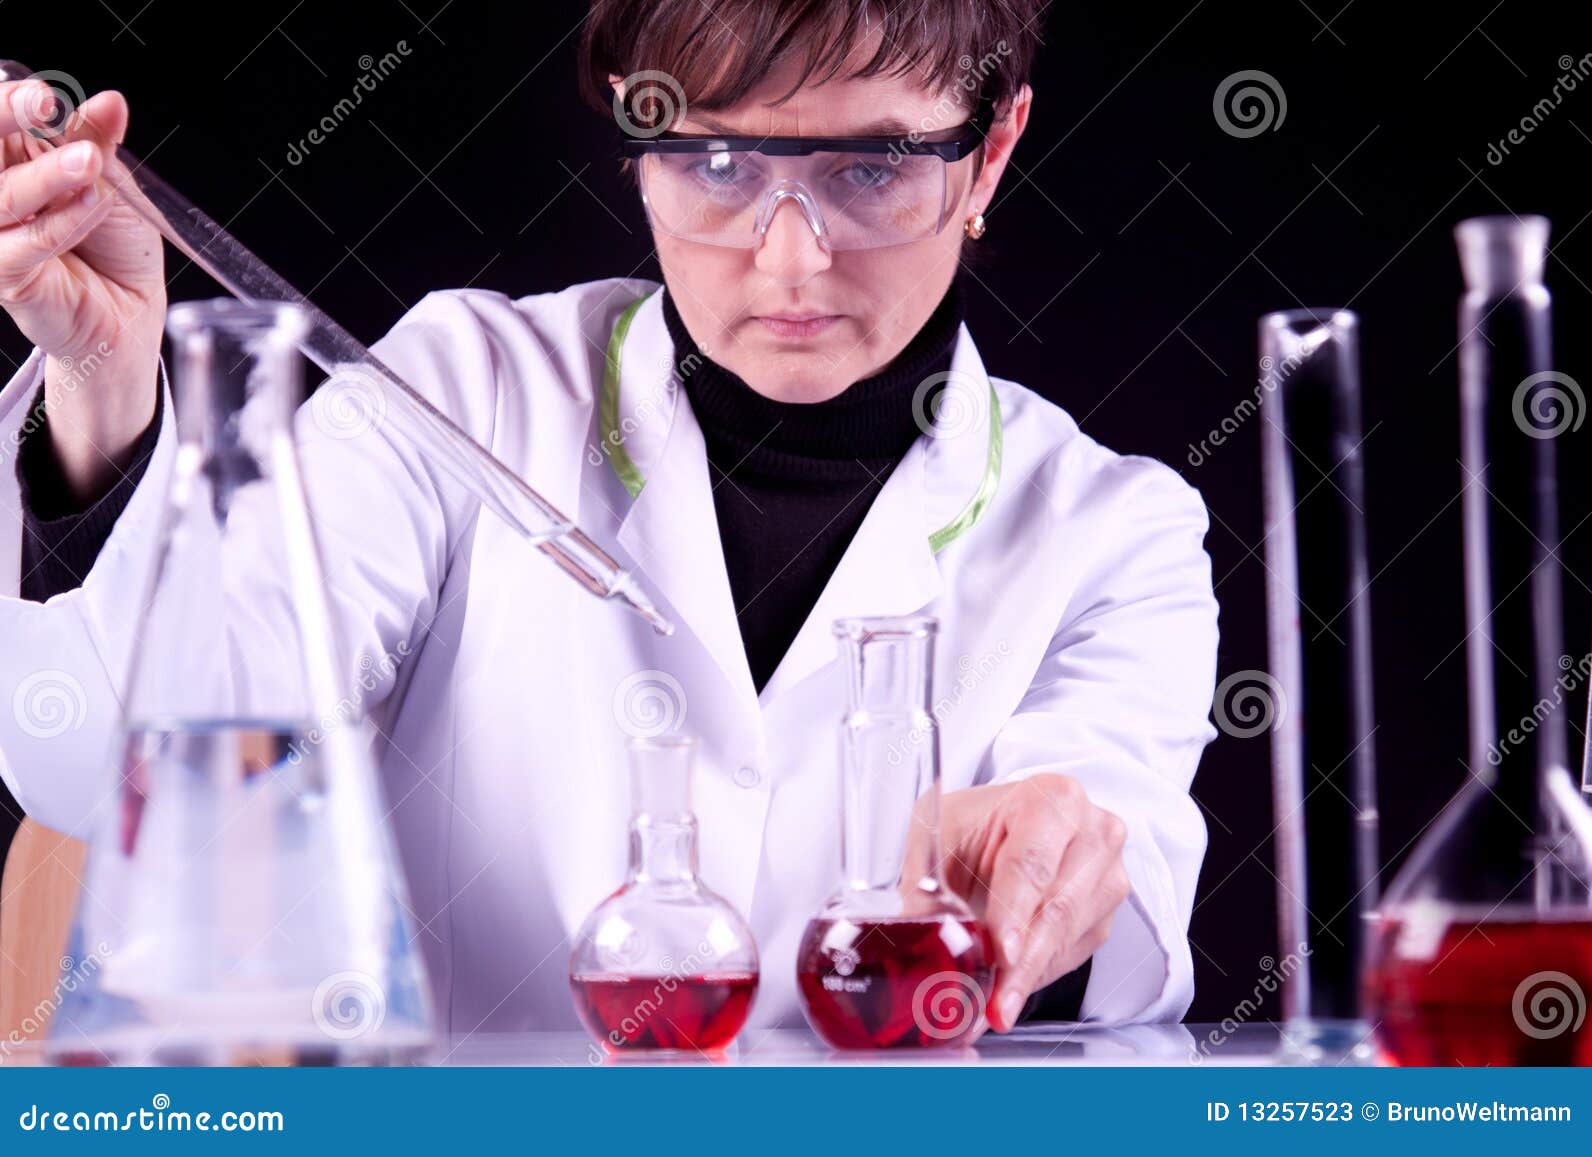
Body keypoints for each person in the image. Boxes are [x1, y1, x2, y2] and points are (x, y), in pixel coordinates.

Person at [0, 0, 1219, 1036]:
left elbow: (1107, 897)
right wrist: (105, 377)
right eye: (716, 164)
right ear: (640, 133)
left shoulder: (1116, 536)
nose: (790, 261)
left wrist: (1057, 864)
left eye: (870, 169)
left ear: (990, 151)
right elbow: (98, 763)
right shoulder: (459, 392)